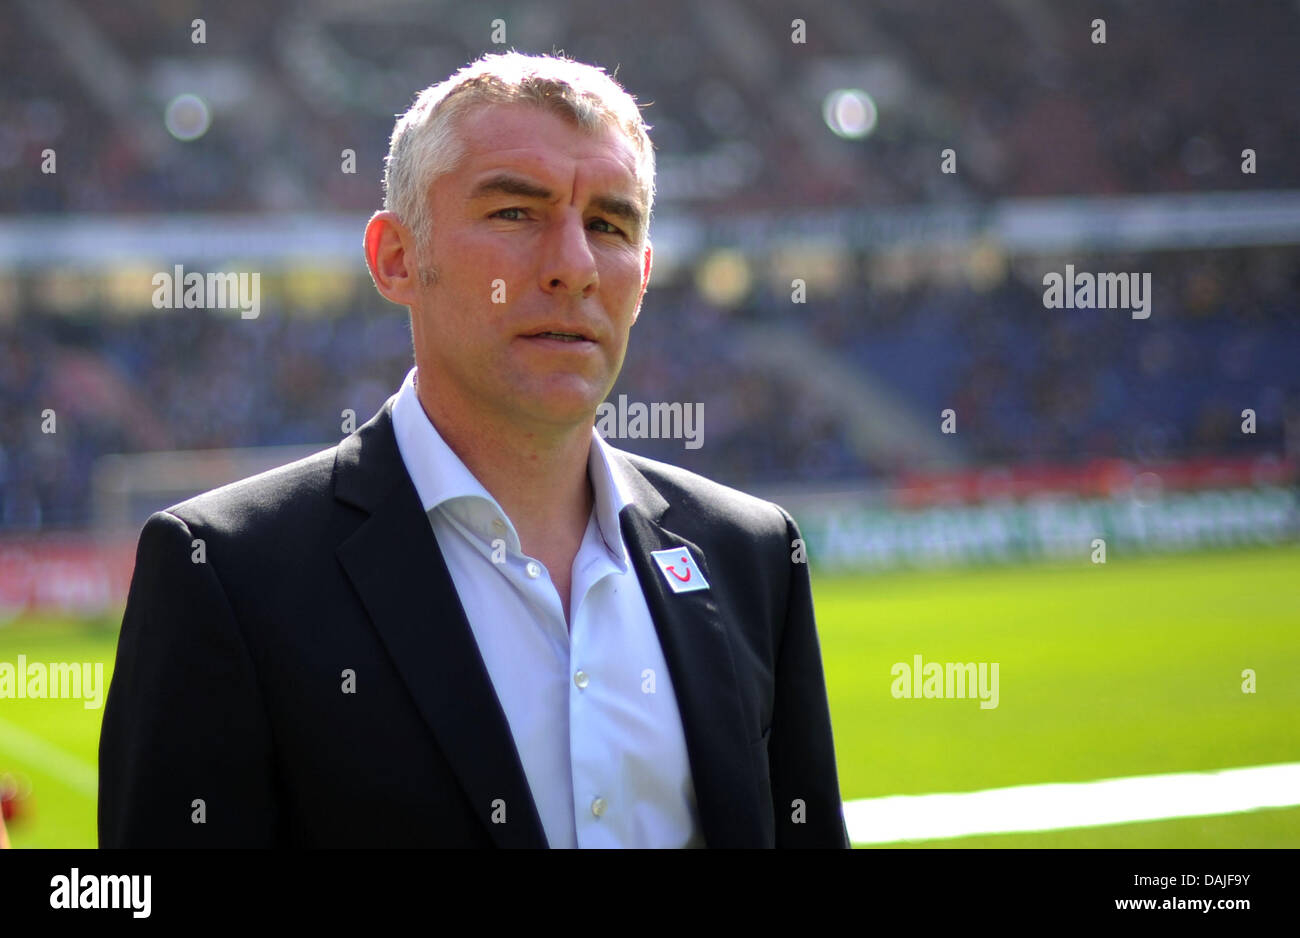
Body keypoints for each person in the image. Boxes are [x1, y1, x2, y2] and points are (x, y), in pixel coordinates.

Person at [98, 51, 849, 848]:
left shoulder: (750, 554)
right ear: (396, 258)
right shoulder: (227, 574)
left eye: (609, 224)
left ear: (645, 273)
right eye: (515, 214)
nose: (574, 267)